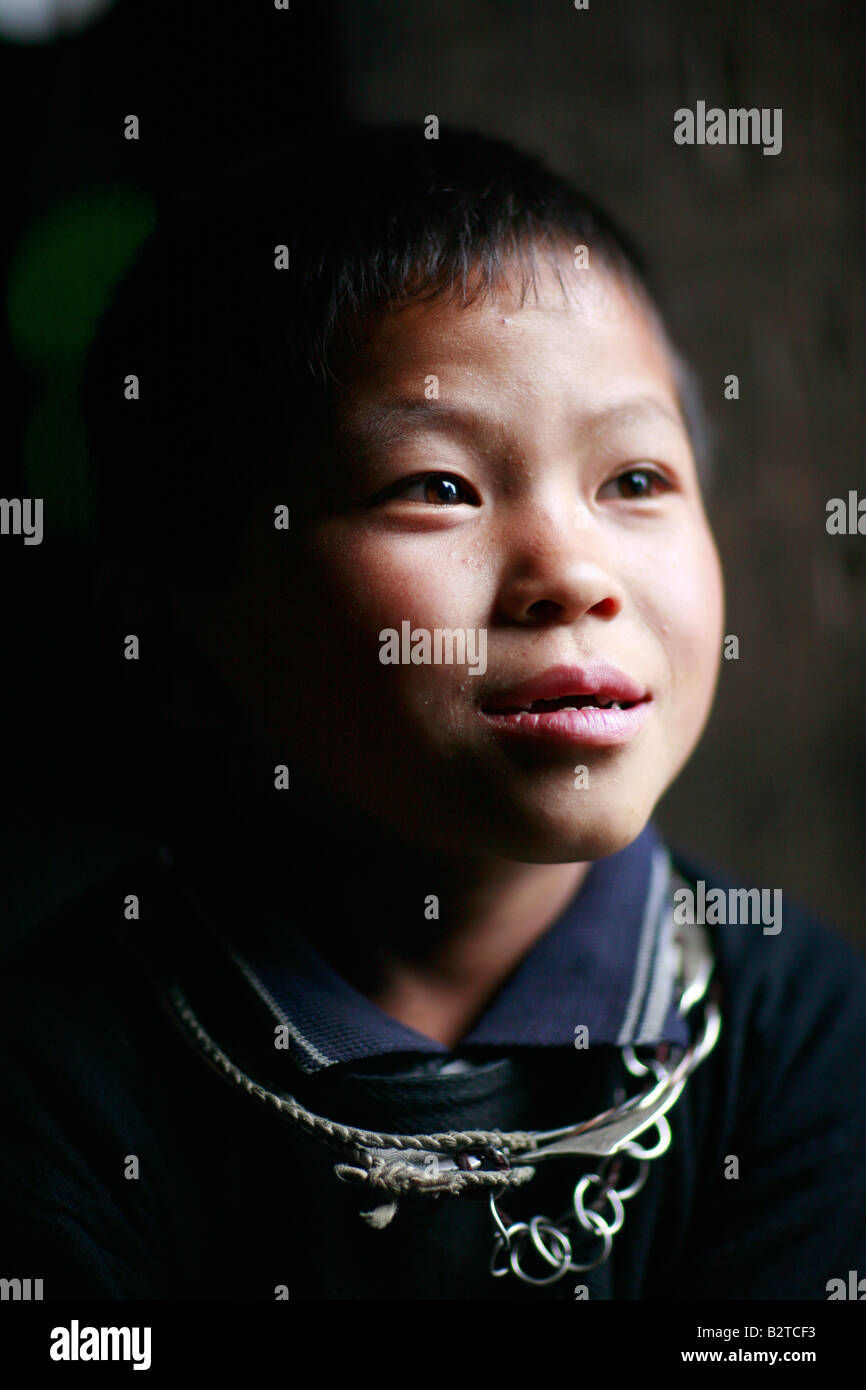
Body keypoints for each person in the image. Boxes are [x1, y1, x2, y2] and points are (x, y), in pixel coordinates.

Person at [1, 124, 864, 1301]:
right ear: (178, 641)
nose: (571, 570)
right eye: (435, 487)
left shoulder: (807, 1035)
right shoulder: (57, 1073)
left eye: (634, 480)